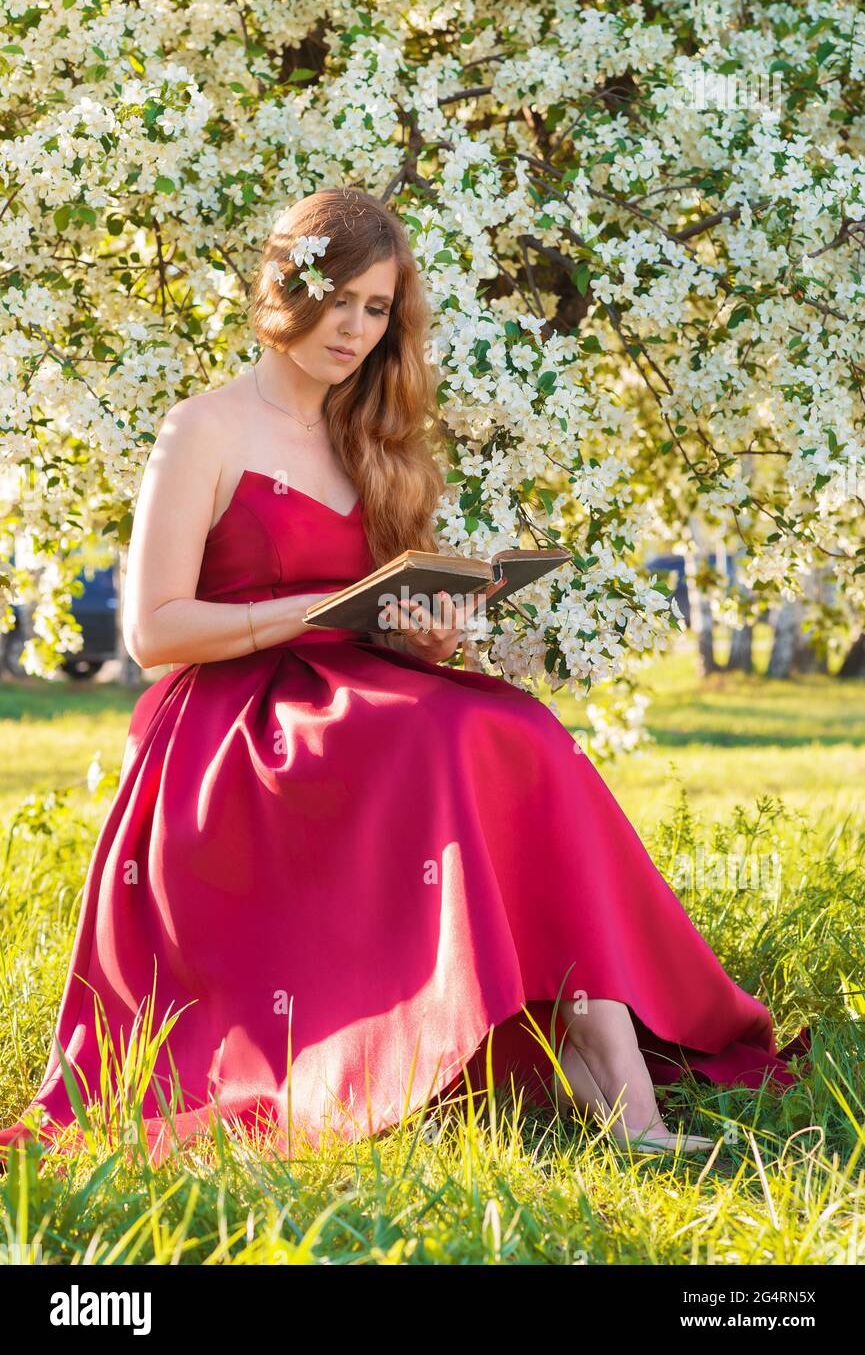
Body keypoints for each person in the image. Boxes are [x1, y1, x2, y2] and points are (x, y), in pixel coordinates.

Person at [0, 187, 809, 1168]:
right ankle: (575, 1068)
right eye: (338, 298)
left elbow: (377, 626)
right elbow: (153, 630)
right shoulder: (202, 429)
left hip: (358, 695)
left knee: (514, 723)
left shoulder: (373, 438)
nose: (353, 327)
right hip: (234, 723)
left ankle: (608, 1062)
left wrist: (421, 632)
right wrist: (313, 612)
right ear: (285, 287)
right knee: (450, 732)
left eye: (376, 309)